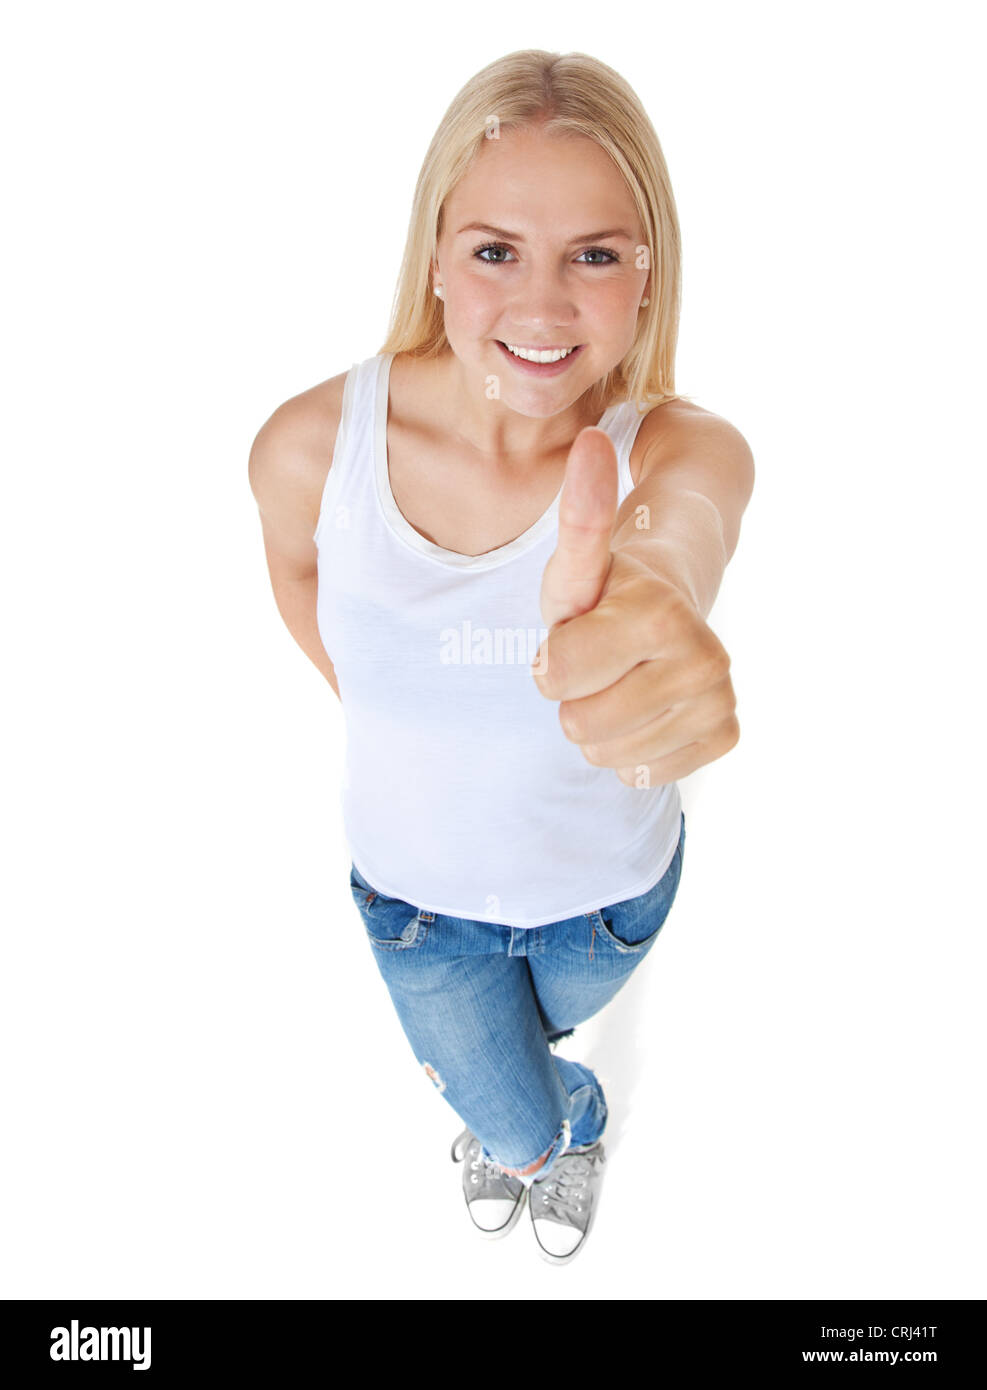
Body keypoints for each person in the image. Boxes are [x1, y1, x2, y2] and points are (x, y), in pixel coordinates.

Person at [248, 49, 754, 1265]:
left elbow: (690, 515)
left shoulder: (671, 449)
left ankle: (528, 1110)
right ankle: (557, 1133)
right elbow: (308, 595)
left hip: (610, 907)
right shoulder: (309, 449)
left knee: (531, 1040)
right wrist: (430, 721)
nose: (541, 307)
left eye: (594, 254)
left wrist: (655, 582)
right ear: (434, 254)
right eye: (493, 251)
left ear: (648, 274)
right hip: (420, 912)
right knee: (517, 1113)